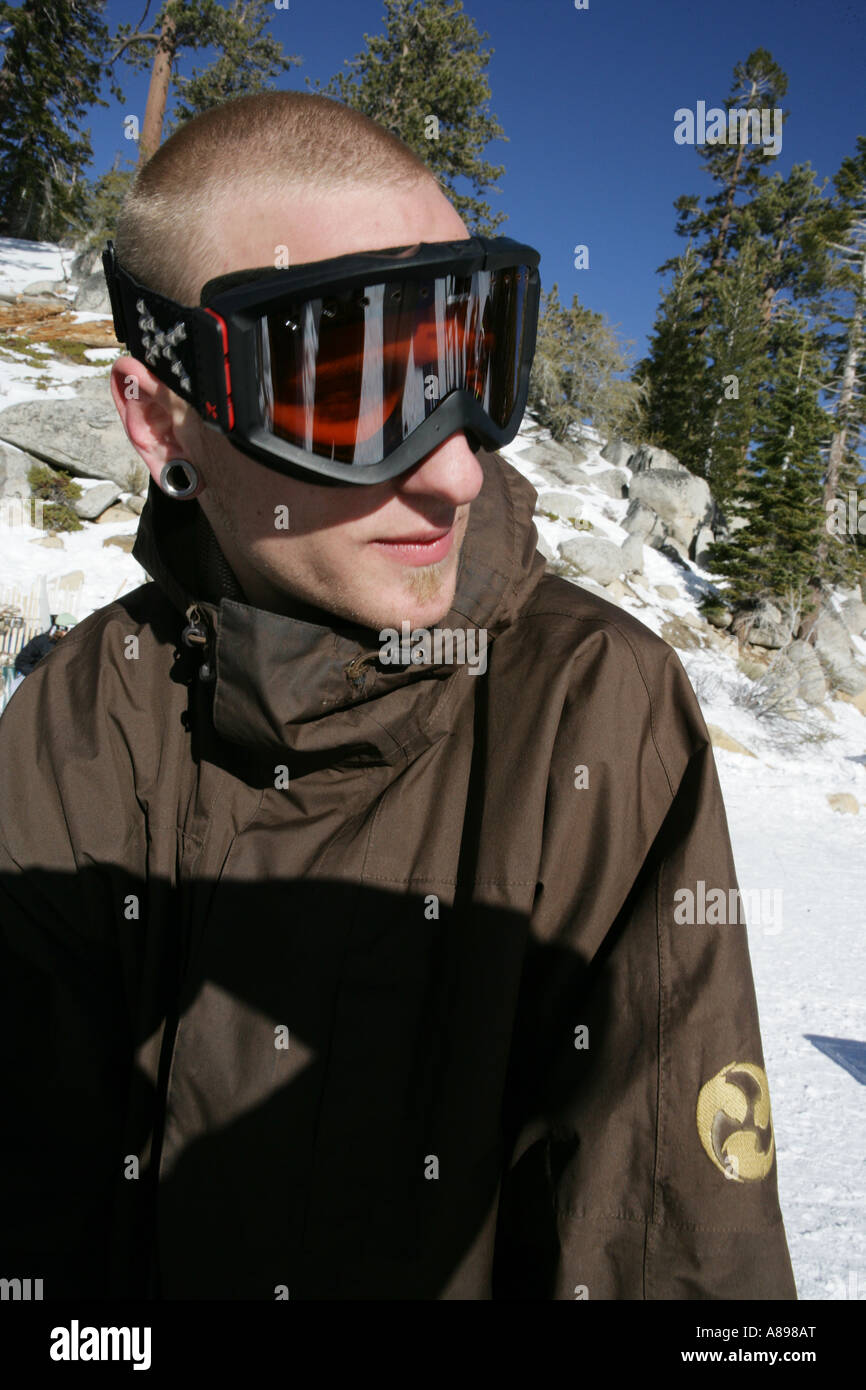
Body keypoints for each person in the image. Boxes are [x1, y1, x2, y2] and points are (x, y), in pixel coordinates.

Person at [0, 91, 797, 1301]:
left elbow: (671, 1256)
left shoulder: (591, 711)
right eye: (348, 383)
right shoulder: (74, 725)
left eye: (469, 360)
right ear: (160, 412)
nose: (456, 465)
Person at [2, 612, 78, 706]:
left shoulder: (70, 647)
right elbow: (21, 661)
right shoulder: (42, 641)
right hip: (30, 680)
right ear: (58, 629)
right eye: (67, 630)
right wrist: (37, 674)